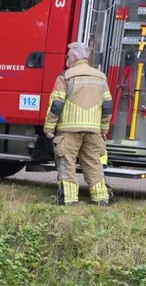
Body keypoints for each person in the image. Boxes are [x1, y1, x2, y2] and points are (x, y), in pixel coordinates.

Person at [44, 42, 112, 206]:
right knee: (94, 163)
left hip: (69, 130)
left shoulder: (66, 76)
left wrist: (49, 127)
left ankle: (69, 200)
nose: (67, 59)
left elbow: (57, 104)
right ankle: (101, 198)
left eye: (68, 56)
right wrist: (104, 129)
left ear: (74, 57)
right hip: (94, 131)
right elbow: (107, 106)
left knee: (66, 163)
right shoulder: (101, 77)